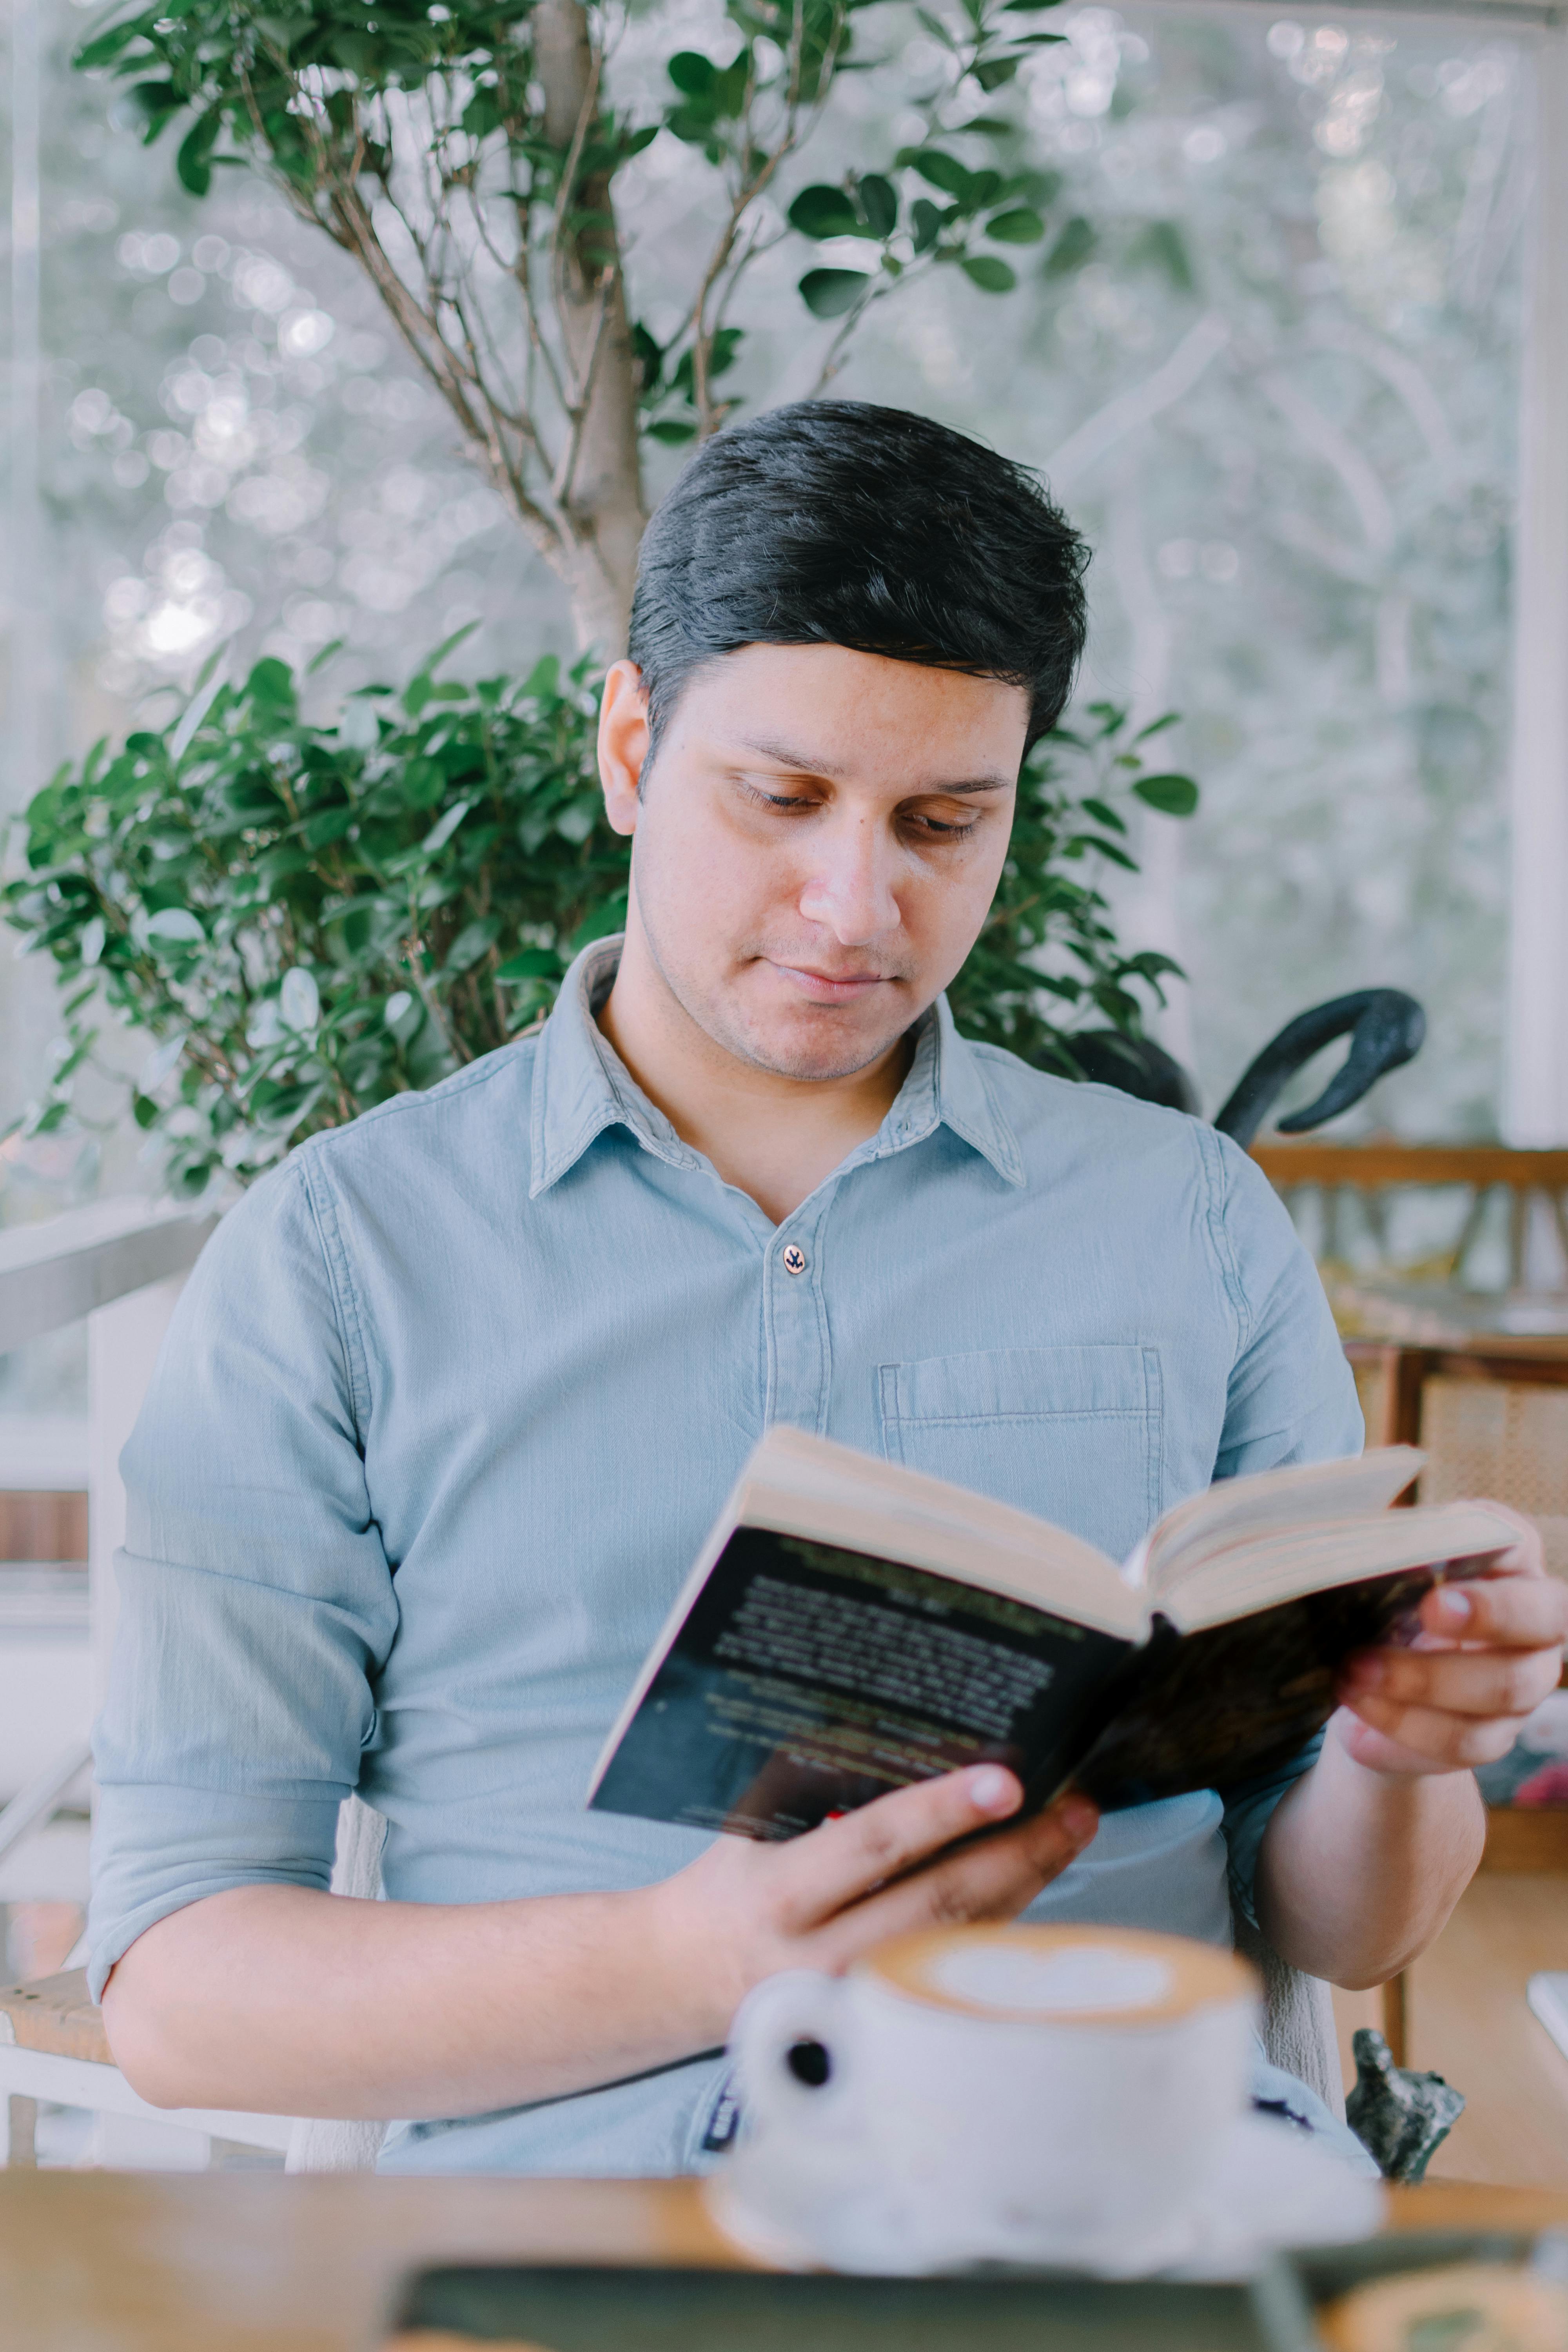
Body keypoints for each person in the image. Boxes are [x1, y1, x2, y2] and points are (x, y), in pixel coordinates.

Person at [91, 402, 1566, 2176]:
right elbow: (177, 1990)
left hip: (1141, 2172)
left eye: (946, 820)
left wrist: (1402, 1759)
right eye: (780, 799)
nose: (854, 904)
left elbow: (1339, 1930)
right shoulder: (343, 1255)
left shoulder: (1187, 1217)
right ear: (632, 748)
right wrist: (693, 1960)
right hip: (604, 2202)